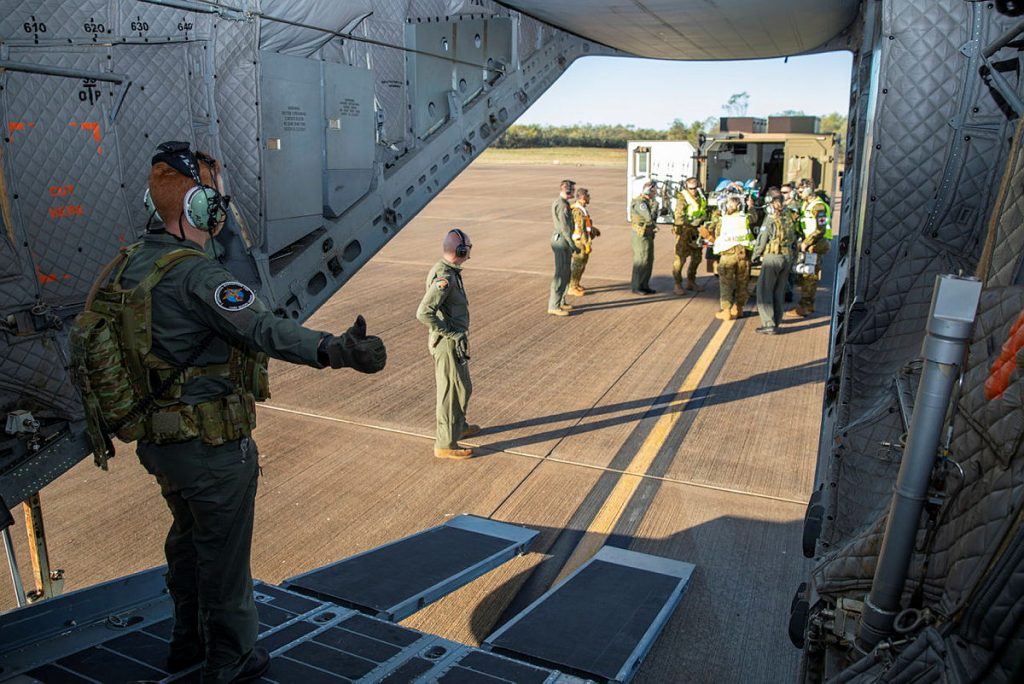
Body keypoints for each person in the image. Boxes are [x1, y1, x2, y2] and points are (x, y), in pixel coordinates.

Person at [89, 141, 386, 682]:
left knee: (187, 546)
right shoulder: (198, 276)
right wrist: (336, 349)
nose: (221, 210)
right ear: (201, 209)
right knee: (223, 563)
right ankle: (232, 660)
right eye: (216, 201)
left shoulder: (128, 264)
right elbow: (266, 330)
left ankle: (187, 643)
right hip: (210, 447)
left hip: (162, 447)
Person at [417, 229, 479, 459]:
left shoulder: (451, 272)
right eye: (469, 247)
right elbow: (424, 313)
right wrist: (451, 333)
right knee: (450, 393)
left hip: (456, 342)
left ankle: (459, 426)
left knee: (463, 388)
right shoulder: (444, 277)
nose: (471, 251)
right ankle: (445, 444)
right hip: (447, 344)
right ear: (460, 250)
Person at [752, 190, 798, 334]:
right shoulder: (789, 216)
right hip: (787, 257)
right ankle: (776, 320)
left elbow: (762, 238)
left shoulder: (771, 218)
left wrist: (755, 255)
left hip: (773, 257)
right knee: (779, 290)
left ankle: (768, 324)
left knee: (764, 290)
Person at [787, 182, 832, 317]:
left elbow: (820, 228)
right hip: (810, 244)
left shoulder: (818, 207)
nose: (798, 194)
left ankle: (804, 306)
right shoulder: (806, 204)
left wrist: (807, 242)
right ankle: (808, 304)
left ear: (809, 192)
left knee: (809, 275)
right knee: (806, 274)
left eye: (801, 192)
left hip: (816, 244)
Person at [711, 195, 754, 320]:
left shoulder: (722, 220)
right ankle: (739, 308)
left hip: (727, 255)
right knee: (742, 283)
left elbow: (717, 234)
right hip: (742, 255)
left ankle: (726, 311)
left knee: (726, 284)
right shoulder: (745, 218)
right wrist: (751, 206)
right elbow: (754, 217)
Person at [672, 177, 708, 295]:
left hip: (697, 231)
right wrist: (689, 223)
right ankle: (677, 284)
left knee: (697, 258)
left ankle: (691, 281)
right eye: (691, 188)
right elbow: (679, 216)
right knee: (680, 259)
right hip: (685, 231)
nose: (693, 190)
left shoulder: (701, 195)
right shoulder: (682, 197)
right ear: (687, 187)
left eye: (695, 188)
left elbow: (705, 209)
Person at [548, 179, 579, 315]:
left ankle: (560, 301)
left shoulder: (563, 203)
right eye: (572, 189)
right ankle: (554, 306)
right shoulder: (562, 205)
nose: (574, 192)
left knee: (566, 273)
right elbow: (565, 228)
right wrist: (573, 245)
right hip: (562, 241)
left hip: (563, 240)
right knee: (561, 274)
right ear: (567, 190)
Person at [567, 187, 600, 296]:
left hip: (583, 240)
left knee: (582, 264)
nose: (589, 198)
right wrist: (587, 244)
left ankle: (576, 284)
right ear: (583, 197)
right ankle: (572, 287)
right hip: (579, 242)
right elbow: (580, 229)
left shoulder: (582, 209)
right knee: (577, 264)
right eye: (588, 196)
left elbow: (586, 226)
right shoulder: (578, 210)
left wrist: (594, 230)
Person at [630, 181, 658, 294]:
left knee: (649, 259)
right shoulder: (640, 203)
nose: (656, 192)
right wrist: (655, 205)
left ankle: (644, 284)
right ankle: (636, 286)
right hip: (640, 235)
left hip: (648, 234)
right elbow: (648, 218)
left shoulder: (647, 202)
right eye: (654, 190)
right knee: (641, 260)